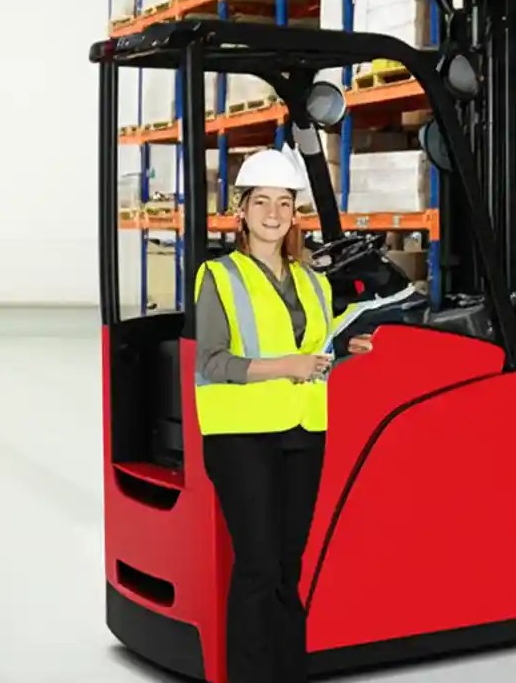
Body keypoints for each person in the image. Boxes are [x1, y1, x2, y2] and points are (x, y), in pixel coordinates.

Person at [193, 148, 370, 683]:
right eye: (261, 201)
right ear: (241, 210)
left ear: (296, 213)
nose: (273, 212)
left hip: (303, 431)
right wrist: (284, 365)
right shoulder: (218, 276)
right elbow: (212, 361)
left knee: (289, 569)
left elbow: (314, 353)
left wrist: (344, 349)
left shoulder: (313, 280)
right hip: (241, 437)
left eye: (284, 202)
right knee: (257, 568)